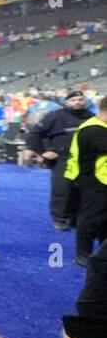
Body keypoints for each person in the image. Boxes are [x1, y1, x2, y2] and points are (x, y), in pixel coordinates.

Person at [25, 89, 92, 231]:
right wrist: (42, 153)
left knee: (82, 190)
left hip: (86, 160)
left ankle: (77, 218)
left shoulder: (91, 117)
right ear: (66, 102)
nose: (77, 102)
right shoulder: (54, 116)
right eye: (73, 100)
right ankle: (60, 218)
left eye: (80, 100)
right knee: (63, 190)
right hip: (63, 159)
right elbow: (35, 134)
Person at [63, 96, 107, 266]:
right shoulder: (93, 129)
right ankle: (83, 254)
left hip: (99, 179)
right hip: (94, 181)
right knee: (91, 218)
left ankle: (100, 253)